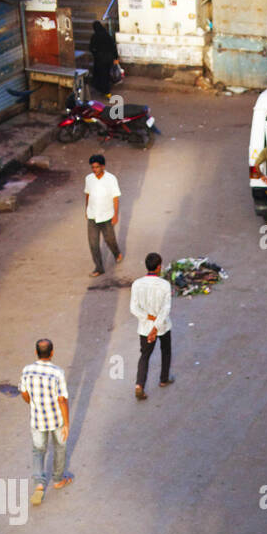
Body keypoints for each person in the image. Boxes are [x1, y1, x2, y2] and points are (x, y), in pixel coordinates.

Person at [18, 339, 71, 506]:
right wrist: (67, 423)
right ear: (52, 352)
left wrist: (32, 402)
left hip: (37, 419)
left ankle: (40, 484)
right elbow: (62, 400)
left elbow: (24, 393)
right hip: (56, 419)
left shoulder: (27, 370)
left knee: (38, 451)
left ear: (36, 352)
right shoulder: (57, 373)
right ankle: (57, 479)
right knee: (60, 447)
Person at [129, 252, 173, 401]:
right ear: (158, 267)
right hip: (162, 327)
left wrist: (149, 318)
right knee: (165, 351)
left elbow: (134, 309)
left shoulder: (137, 284)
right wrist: (156, 328)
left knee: (145, 356)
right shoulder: (165, 285)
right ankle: (163, 379)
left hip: (144, 328)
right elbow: (165, 310)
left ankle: (139, 385)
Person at [84, 154, 122, 278]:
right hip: (92, 215)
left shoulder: (111, 179)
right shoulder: (89, 178)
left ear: (103, 167)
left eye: (97, 167)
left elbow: (115, 197)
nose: (95, 170)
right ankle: (99, 268)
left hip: (106, 216)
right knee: (93, 243)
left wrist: (115, 215)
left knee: (109, 240)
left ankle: (116, 253)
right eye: (93, 168)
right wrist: (86, 209)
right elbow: (88, 194)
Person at [89, 20, 119, 96]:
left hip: (99, 60)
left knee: (101, 75)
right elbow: (113, 47)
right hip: (109, 59)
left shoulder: (94, 36)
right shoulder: (107, 35)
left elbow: (91, 48)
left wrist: (95, 54)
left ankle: (105, 91)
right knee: (106, 74)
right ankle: (106, 90)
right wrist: (115, 58)